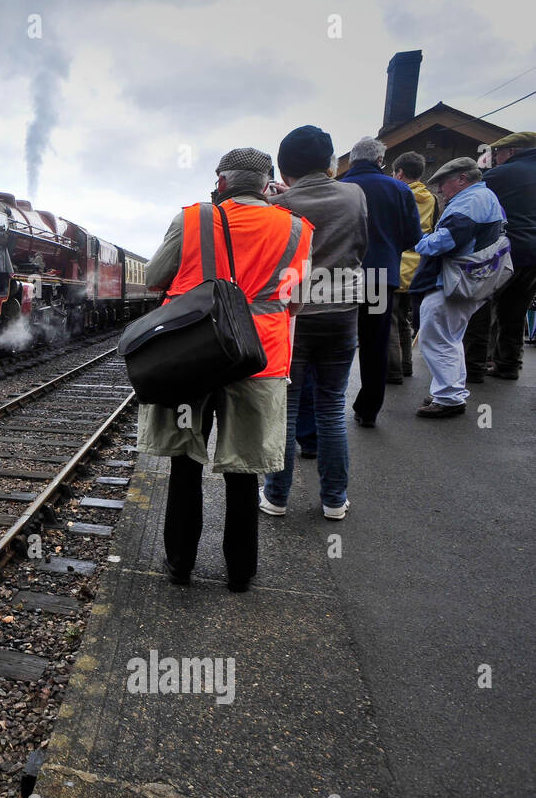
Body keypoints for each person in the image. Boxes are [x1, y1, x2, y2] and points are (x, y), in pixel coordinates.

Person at [140, 148, 314, 592]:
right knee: (245, 469)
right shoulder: (297, 228)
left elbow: (155, 278)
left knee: (184, 462)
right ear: (267, 184)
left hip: (193, 355)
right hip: (261, 359)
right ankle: (241, 573)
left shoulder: (193, 219)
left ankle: (180, 564)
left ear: (220, 182)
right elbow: (296, 301)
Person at [260, 125, 367, 522]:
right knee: (331, 407)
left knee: (285, 411)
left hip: (294, 316)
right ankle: (334, 500)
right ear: (330, 163)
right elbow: (361, 246)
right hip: (343, 311)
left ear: (284, 170)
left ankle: (276, 496)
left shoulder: (280, 207)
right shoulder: (356, 194)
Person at [409, 156, 507, 417]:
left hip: (451, 281)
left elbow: (448, 239)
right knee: (450, 339)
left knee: (436, 339)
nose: (440, 190)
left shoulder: (470, 201)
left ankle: (449, 398)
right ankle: (449, 390)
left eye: (442, 183)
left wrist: (419, 241)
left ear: (461, 179)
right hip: (471, 280)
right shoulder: (486, 198)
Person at [338, 137, 423, 426]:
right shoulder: (399, 189)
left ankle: (328, 406)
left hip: (340, 276)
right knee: (375, 342)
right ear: (380, 161)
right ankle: (368, 408)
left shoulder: (340, 188)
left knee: (337, 339)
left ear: (351, 161)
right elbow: (414, 237)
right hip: (378, 276)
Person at [465, 131, 536, 381]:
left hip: (503, 250)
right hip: (533, 256)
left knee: (480, 304)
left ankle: (474, 365)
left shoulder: (497, 176)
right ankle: (508, 363)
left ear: (513, 151)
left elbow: (473, 205)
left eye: (499, 153)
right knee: (516, 309)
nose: (496, 158)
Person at [387, 151, 438, 382]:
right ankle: (407, 364)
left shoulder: (397, 194)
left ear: (400, 172)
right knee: (404, 320)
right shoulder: (431, 198)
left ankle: (393, 370)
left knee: (389, 321)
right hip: (418, 268)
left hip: (396, 264)